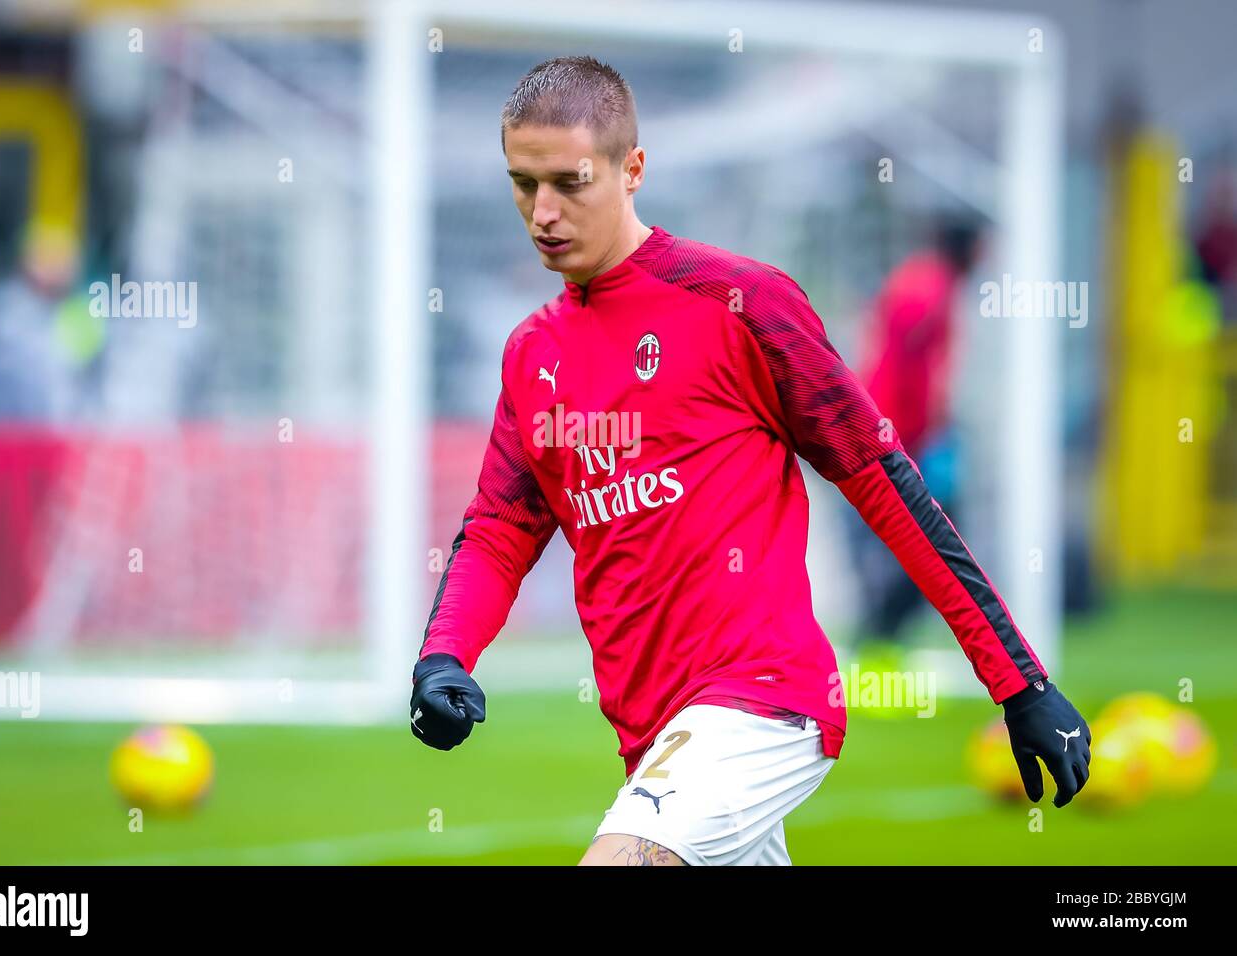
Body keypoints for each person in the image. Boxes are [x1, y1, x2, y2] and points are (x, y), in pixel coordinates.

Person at [410, 57, 1091, 866]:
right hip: (654, 735)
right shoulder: (532, 354)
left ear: (632, 169)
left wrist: (1019, 681)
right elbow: (499, 529)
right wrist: (444, 654)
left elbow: (885, 485)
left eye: (569, 181)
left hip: (764, 703)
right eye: (524, 185)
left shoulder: (741, 303)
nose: (543, 212)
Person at [846, 217, 981, 646]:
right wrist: (914, 431)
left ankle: (883, 622)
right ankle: (883, 621)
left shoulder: (923, 281)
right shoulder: (929, 289)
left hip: (893, 428)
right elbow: (907, 364)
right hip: (894, 433)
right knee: (936, 532)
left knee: (925, 532)